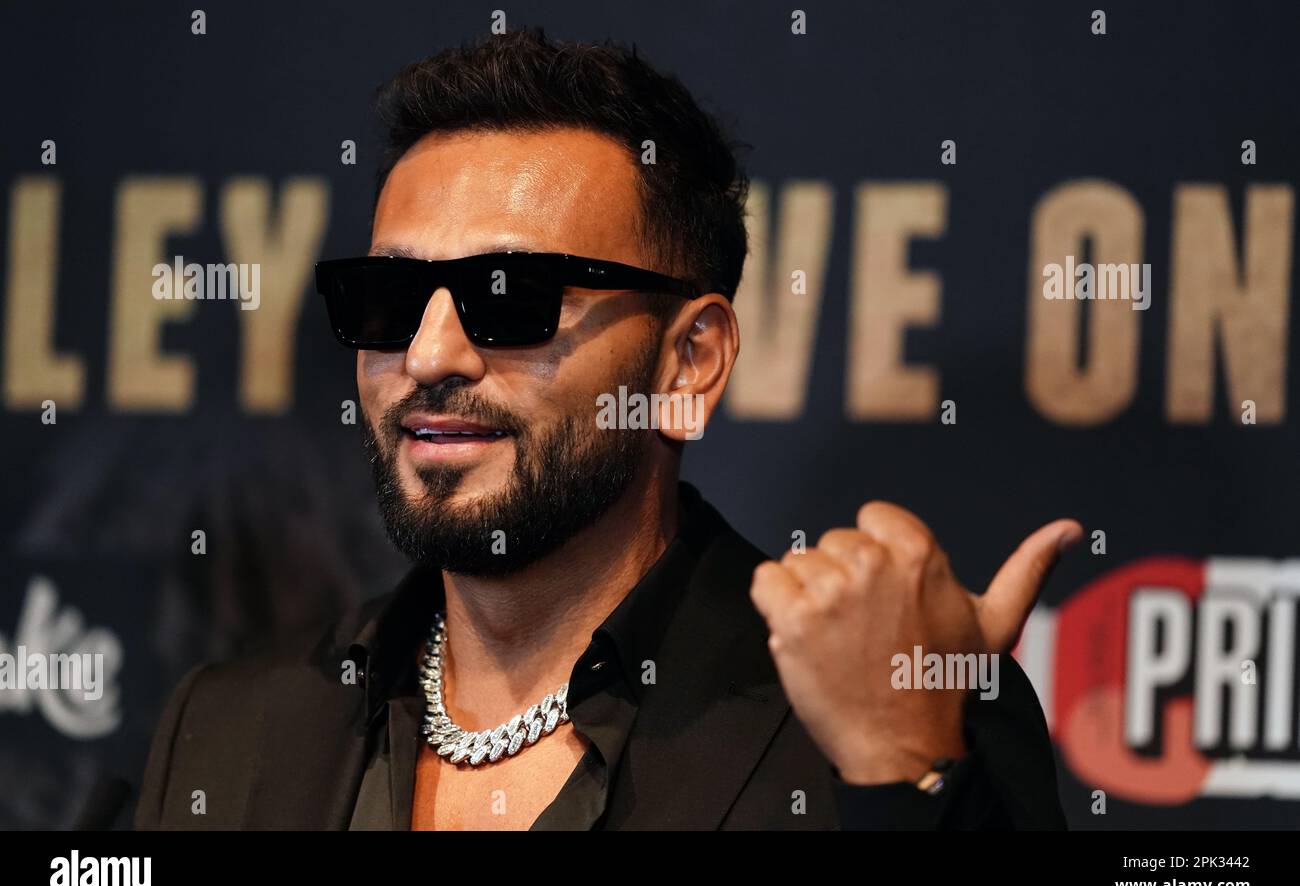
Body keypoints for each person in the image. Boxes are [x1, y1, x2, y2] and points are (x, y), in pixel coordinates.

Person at [136, 27, 1079, 830]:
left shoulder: (890, 706)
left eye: (510, 297)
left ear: (690, 359)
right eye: (386, 297)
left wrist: (901, 768)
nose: (429, 355)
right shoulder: (228, 730)